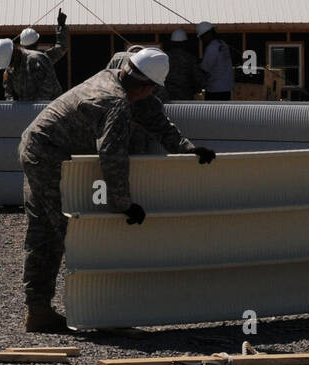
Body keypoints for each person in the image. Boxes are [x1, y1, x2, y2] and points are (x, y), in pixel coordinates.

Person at [18, 48, 216, 332]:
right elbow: (111, 156)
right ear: (148, 87)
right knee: (74, 232)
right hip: (46, 154)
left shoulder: (120, 77)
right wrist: (124, 204)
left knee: (47, 230)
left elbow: (155, 119)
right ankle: (100, 315)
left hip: (37, 145)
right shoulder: (116, 102)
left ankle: (39, 312)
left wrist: (188, 149)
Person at [5, 13, 68, 101]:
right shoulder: (43, 58)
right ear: (37, 43)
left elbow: (8, 91)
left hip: (28, 108)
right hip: (45, 105)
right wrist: (61, 26)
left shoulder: (12, 65)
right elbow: (62, 47)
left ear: (21, 44)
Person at [197, 21, 234, 100]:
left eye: (202, 37)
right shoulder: (223, 44)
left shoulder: (212, 48)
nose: (202, 40)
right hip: (226, 88)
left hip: (215, 90)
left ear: (208, 34)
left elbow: (205, 68)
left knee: (213, 112)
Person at [163, 28, 199, 101]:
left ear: (172, 42)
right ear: (185, 42)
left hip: (168, 94)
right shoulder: (190, 58)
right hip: (186, 95)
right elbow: (197, 77)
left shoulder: (165, 57)